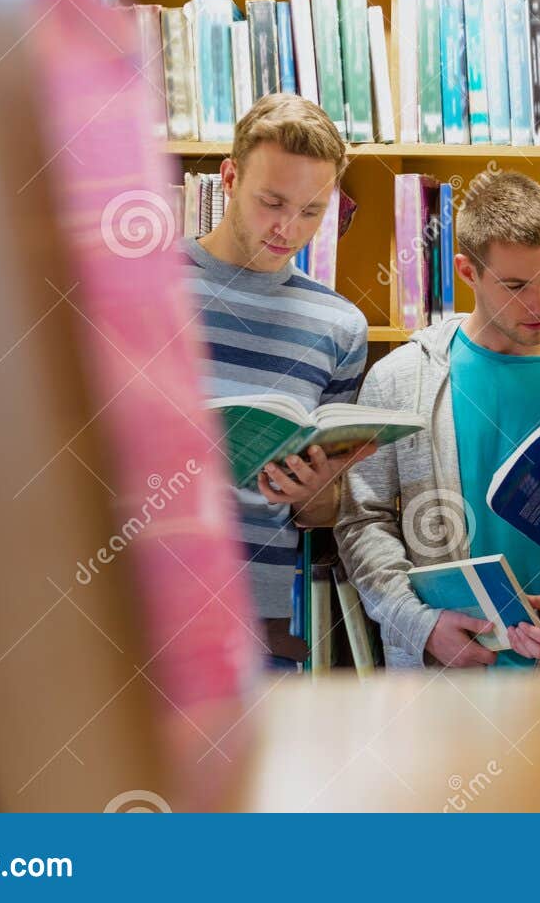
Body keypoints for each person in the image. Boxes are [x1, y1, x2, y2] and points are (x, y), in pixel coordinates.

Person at [336, 171, 540, 668]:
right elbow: (362, 521)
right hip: (437, 687)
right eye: (516, 285)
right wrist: (420, 625)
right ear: (466, 272)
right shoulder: (398, 380)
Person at [182, 93, 373, 668]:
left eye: (313, 211)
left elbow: (323, 513)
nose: (289, 228)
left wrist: (315, 493)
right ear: (230, 177)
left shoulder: (339, 326)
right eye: (272, 202)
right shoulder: (144, 290)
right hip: (135, 603)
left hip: (262, 622)